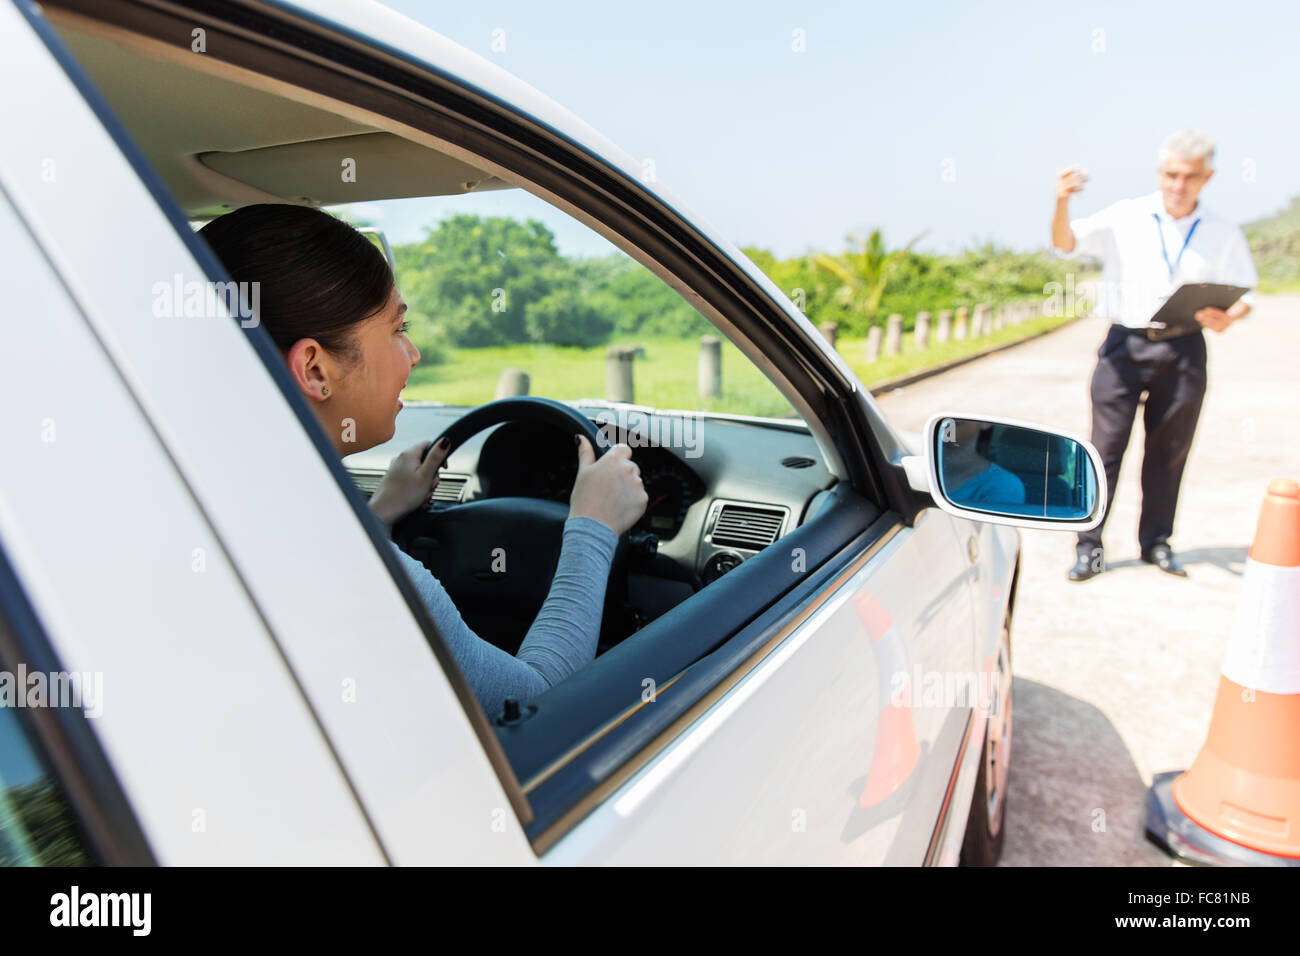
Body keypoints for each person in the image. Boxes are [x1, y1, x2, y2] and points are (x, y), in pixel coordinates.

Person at [198, 204, 648, 712]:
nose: (413, 354)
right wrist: (593, 525)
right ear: (314, 369)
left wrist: (380, 513)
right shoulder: (371, 577)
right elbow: (533, 700)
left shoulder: (201, 505)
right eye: (396, 330)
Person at [1051, 130, 1259, 582]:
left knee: (1168, 452)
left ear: (1208, 177)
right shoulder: (1127, 215)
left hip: (1185, 346)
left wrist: (1231, 316)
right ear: (1159, 173)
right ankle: (1089, 548)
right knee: (1103, 450)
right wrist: (1062, 201)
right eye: (1170, 174)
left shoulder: (1222, 230)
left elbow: (1247, 290)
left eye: (1189, 176)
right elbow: (1066, 243)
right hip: (1125, 346)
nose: (1178, 184)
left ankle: (1157, 543)